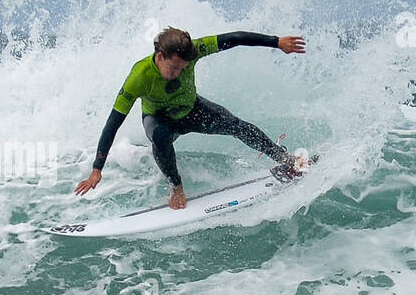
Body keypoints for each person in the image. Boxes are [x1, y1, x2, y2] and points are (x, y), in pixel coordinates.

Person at [75, 27, 307, 210]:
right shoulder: (139, 77)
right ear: (159, 57)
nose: (178, 73)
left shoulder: (193, 49)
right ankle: (176, 187)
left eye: (183, 68)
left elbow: (235, 38)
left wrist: (276, 42)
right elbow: (113, 123)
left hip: (192, 110)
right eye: (174, 68)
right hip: (160, 118)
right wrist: (97, 168)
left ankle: (285, 159)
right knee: (160, 137)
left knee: (236, 126)